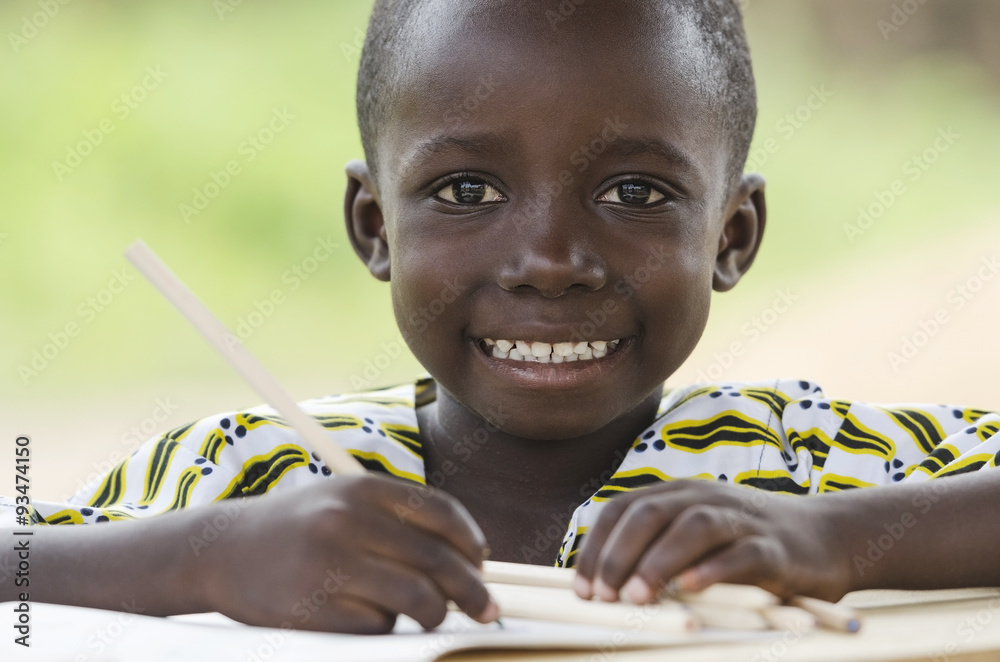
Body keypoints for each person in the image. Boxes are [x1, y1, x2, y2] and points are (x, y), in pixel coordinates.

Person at [3, 0, 999, 635]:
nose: (551, 263)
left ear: (732, 235)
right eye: (468, 189)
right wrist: (202, 558)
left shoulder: (809, 465)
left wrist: (831, 539)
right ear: (372, 224)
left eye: (637, 193)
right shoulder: (241, 473)